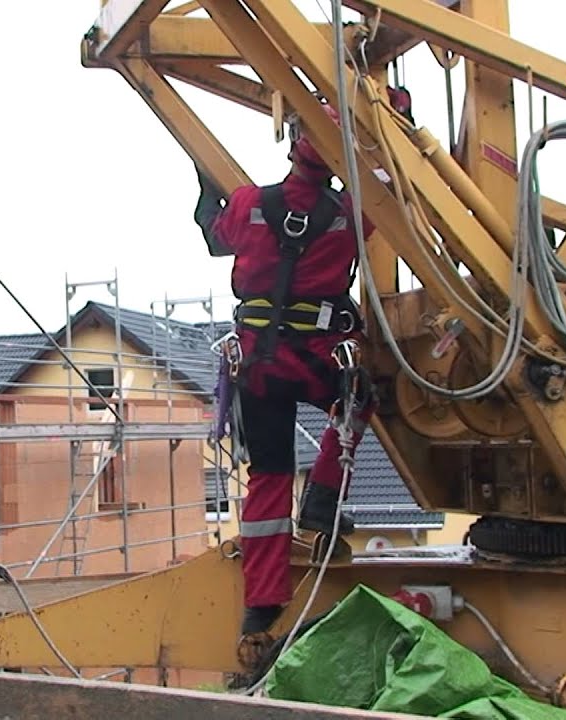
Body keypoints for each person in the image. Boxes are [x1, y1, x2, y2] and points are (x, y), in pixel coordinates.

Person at [194, 102, 380, 669]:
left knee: (268, 479)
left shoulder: (251, 204)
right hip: (318, 358)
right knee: (357, 402)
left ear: (293, 141)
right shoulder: (349, 214)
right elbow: (389, 215)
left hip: (258, 366)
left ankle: (261, 603)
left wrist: (206, 189)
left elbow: (215, 236)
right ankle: (323, 503)